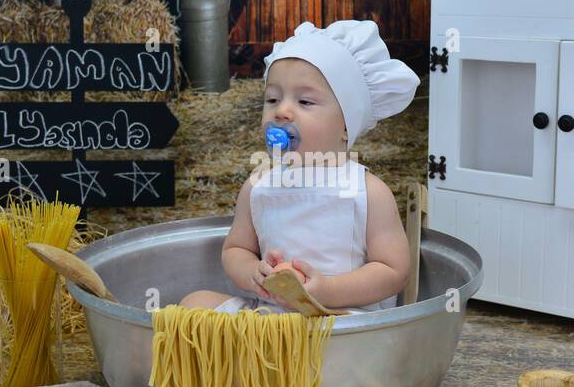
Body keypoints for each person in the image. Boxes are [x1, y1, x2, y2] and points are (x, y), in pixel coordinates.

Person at [180, 19, 420, 313]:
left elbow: (394, 271)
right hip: (271, 315)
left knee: (335, 337)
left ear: (346, 124)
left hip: (338, 318)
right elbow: (236, 249)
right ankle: (259, 348)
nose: (281, 111)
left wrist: (328, 291)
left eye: (305, 101)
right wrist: (252, 272)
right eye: (272, 99)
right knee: (194, 304)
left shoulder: (367, 191)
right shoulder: (259, 186)